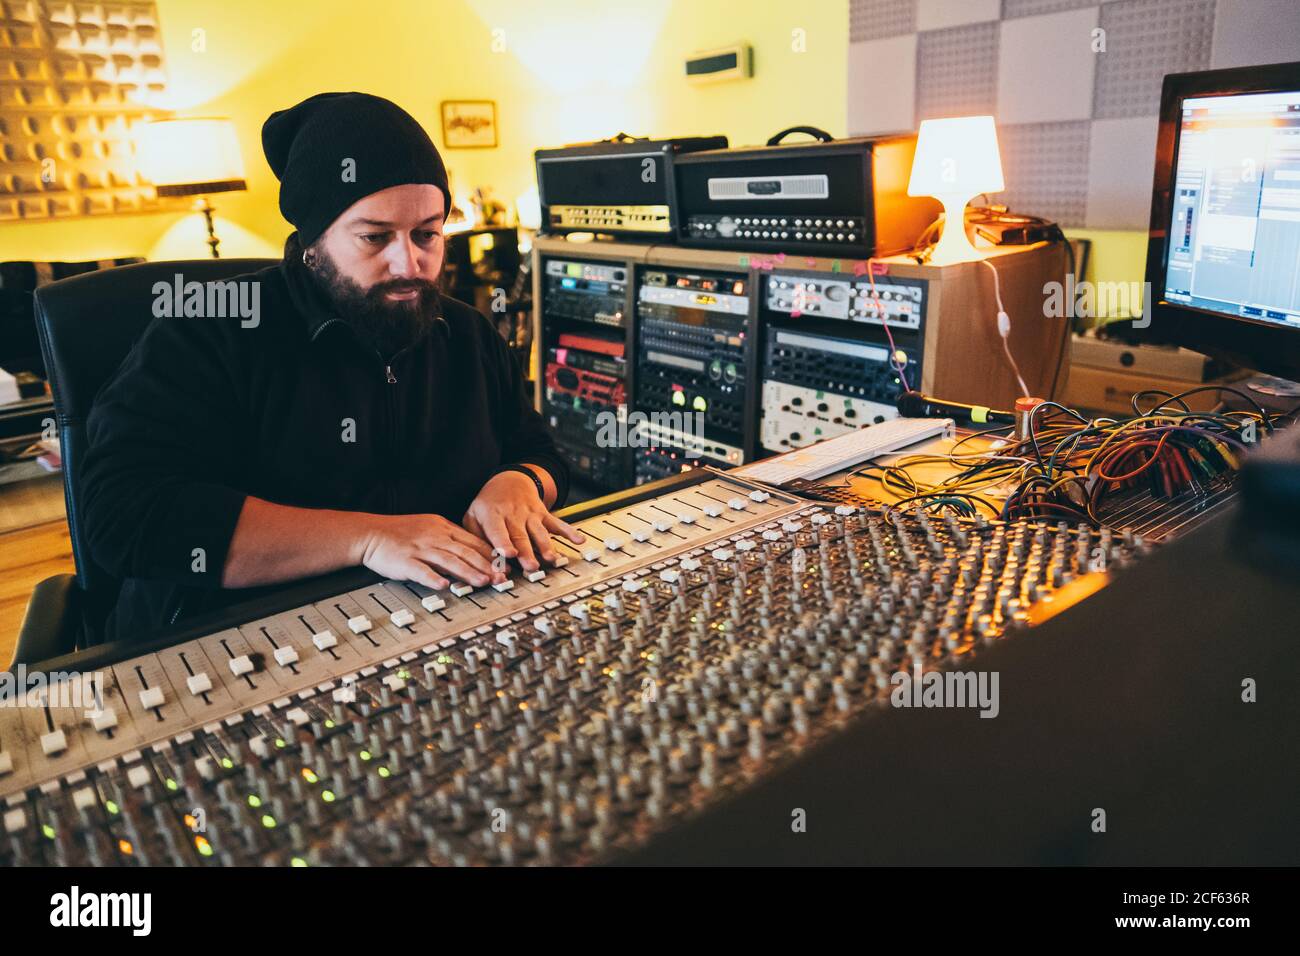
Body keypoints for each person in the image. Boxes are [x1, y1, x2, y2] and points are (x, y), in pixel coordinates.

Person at [80, 92, 582, 641]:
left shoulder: (466, 333)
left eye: (427, 234)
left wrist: (517, 481)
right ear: (312, 242)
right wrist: (367, 538)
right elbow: (123, 515)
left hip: (447, 623)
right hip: (240, 641)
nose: (408, 264)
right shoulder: (207, 330)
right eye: (375, 236)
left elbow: (538, 451)